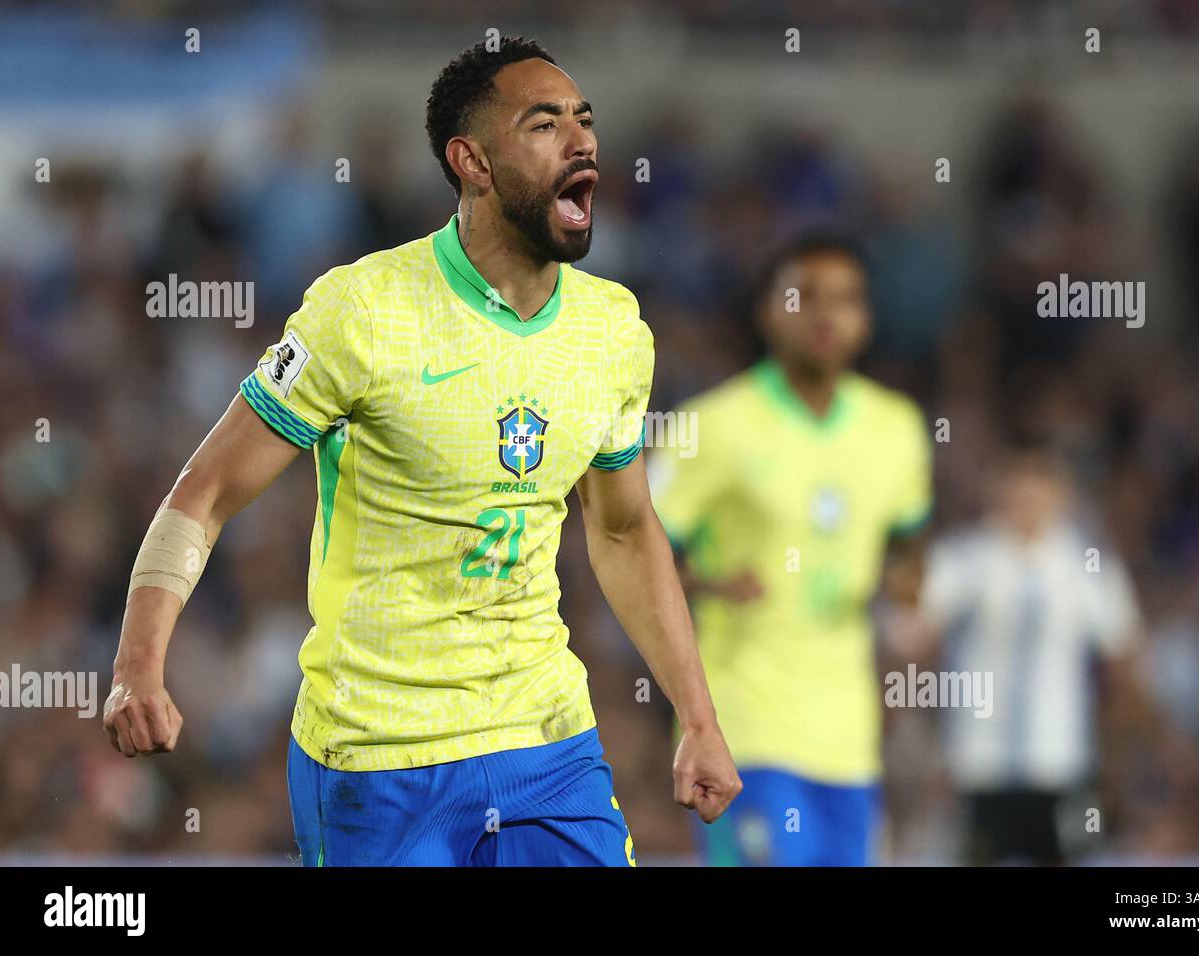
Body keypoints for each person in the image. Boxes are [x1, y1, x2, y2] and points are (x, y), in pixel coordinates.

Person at [103, 36, 740, 867]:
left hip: (544, 741)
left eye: (584, 121)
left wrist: (698, 718)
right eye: (543, 125)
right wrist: (137, 665)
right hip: (374, 761)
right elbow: (206, 493)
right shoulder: (362, 311)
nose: (581, 141)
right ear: (471, 161)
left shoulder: (614, 330)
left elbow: (623, 531)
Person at [648, 232, 932, 865]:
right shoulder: (711, 427)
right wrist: (706, 583)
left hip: (847, 740)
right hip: (741, 726)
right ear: (768, 311)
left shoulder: (898, 431)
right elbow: (634, 550)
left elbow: (909, 544)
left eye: (847, 299)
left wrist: (908, 589)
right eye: (806, 296)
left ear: (867, 317)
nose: (827, 314)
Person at [919, 445, 1141, 864]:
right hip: (979, 761)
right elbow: (915, 634)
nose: (1028, 508)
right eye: (1017, 496)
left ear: (1061, 499)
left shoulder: (1086, 563)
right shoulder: (966, 556)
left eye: (1039, 496)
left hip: (1057, 759)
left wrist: (1114, 753)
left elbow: (1121, 653)